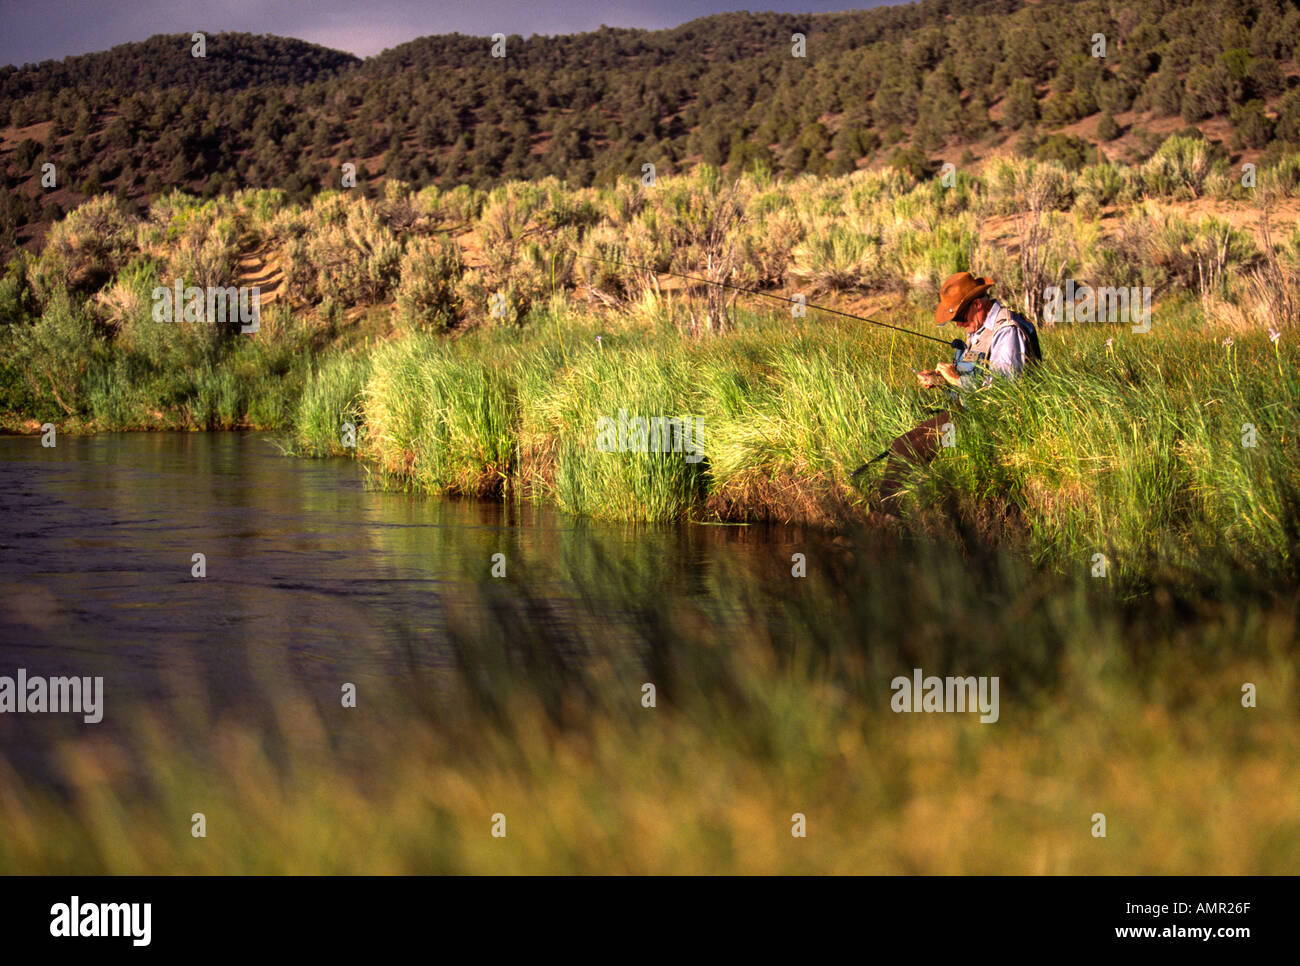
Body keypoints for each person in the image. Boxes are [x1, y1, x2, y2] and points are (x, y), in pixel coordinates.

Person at [872, 272, 1041, 515]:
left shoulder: (1007, 332)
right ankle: (900, 516)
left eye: (960, 317)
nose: (959, 324)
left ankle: (887, 522)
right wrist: (940, 379)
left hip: (991, 418)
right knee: (903, 444)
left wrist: (956, 380)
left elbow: (1005, 391)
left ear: (977, 304)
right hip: (969, 409)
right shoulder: (979, 328)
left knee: (903, 448)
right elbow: (976, 376)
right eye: (955, 320)